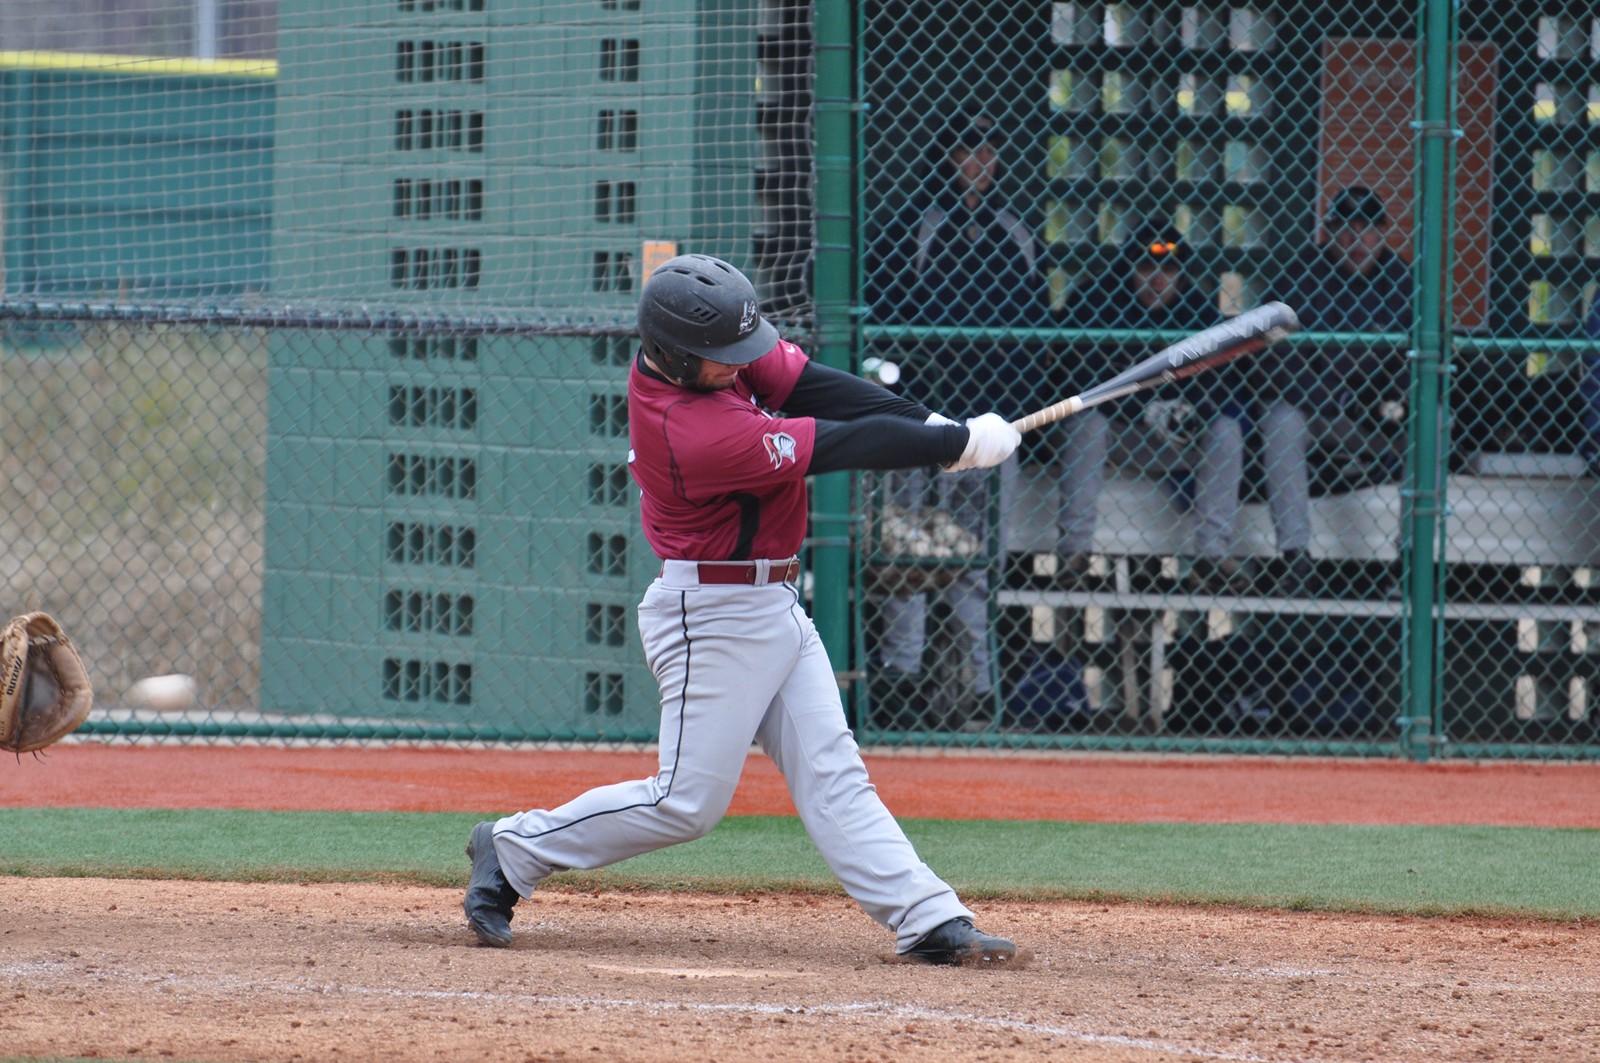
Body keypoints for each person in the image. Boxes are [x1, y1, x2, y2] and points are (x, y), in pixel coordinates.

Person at [463, 254, 1022, 965]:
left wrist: (936, 428)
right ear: (671, 353)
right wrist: (951, 443)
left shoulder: (706, 352)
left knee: (833, 771)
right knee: (684, 803)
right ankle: (511, 847)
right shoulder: (693, 432)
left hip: (772, 600)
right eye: (723, 358)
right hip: (713, 613)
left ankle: (929, 918)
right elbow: (843, 441)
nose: (740, 364)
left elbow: (819, 387)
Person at [866, 111, 1050, 726]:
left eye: (988, 151)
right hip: (924, 424)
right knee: (907, 546)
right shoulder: (914, 231)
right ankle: (902, 681)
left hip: (990, 426)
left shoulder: (1016, 234)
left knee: (975, 559)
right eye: (967, 150)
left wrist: (1013, 417)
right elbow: (890, 333)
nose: (978, 163)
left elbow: (1036, 338)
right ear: (947, 157)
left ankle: (980, 687)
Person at [1062, 226, 1264, 593]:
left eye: (1169, 270)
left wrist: (1191, 411)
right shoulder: (1095, 301)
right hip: (1118, 435)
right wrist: (1145, 409)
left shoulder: (1197, 309)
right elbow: (1078, 377)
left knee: (1226, 430)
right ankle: (1075, 554)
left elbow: (1224, 384)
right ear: (1128, 268)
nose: (1157, 279)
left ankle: (1211, 555)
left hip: (1174, 438)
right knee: (1085, 422)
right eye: (1145, 267)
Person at [1258, 185, 1412, 589]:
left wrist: (1385, 396)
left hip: (1377, 418)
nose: (1356, 239)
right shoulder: (1302, 275)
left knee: (1434, 420)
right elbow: (1276, 365)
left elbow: (1422, 359)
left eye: (1367, 229)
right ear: (1329, 231)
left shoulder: (1401, 281)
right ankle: (1295, 554)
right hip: (1318, 414)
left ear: (1383, 233)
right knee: (1280, 419)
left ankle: (1411, 555)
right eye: (1345, 227)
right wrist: (1341, 396)